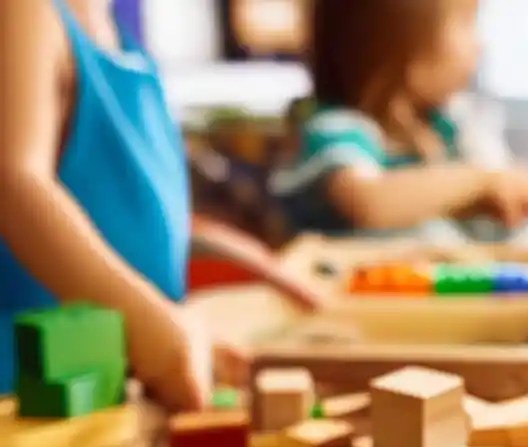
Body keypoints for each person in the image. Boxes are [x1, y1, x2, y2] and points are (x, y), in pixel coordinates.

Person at [0, 0, 321, 410]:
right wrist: (144, 321)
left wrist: (224, 247)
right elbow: (16, 182)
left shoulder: (126, 42)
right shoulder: (26, 12)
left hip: (115, 381)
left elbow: (121, 203)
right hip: (30, 396)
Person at [271, 0, 528, 245]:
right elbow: (371, 203)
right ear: (399, 40)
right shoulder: (336, 130)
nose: (478, 45)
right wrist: (478, 180)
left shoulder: (444, 128)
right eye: (466, 25)